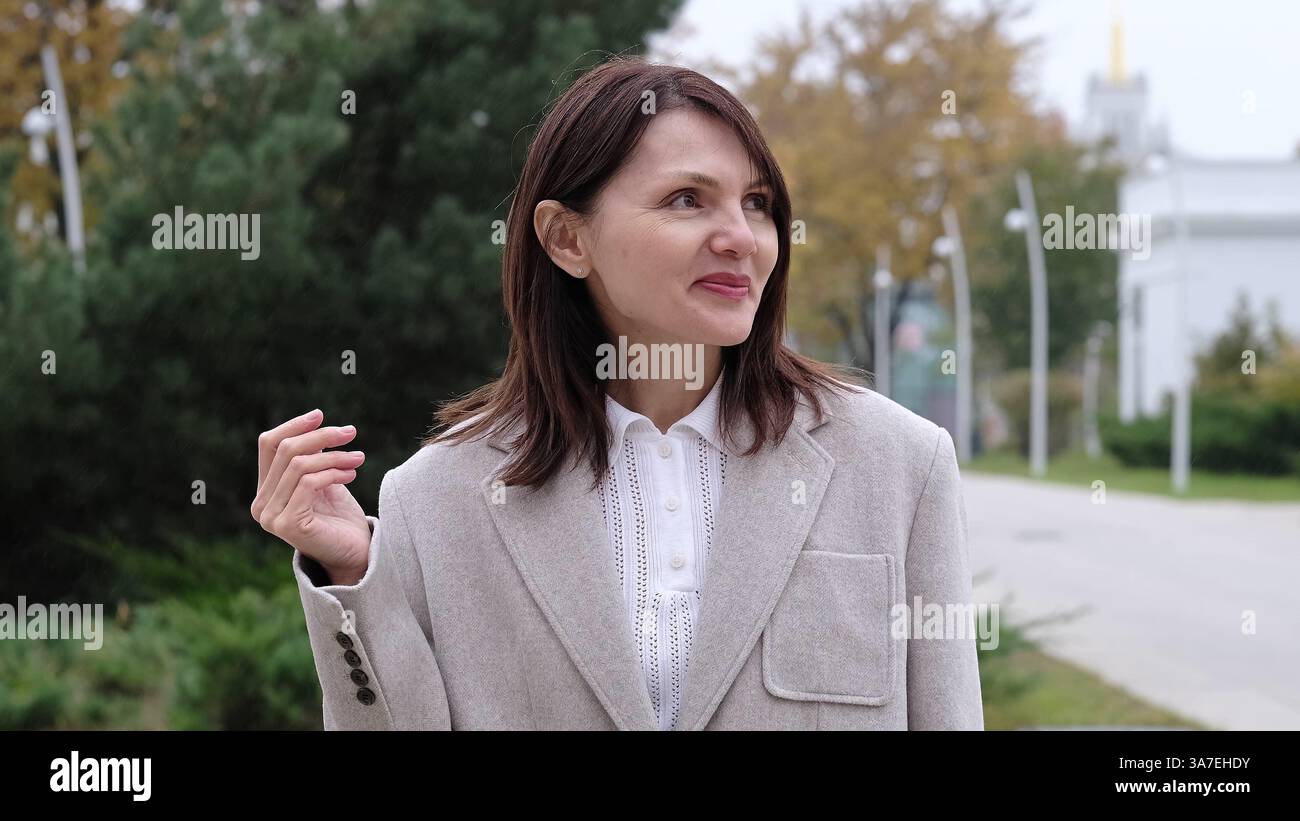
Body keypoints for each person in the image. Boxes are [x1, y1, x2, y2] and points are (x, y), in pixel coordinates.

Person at [250, 56, 983, 730]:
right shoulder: (438, 498)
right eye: (688, 199)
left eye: (756, 203)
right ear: (568, 238)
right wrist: (350, 572)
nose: (742, 236)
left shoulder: (899, 467)